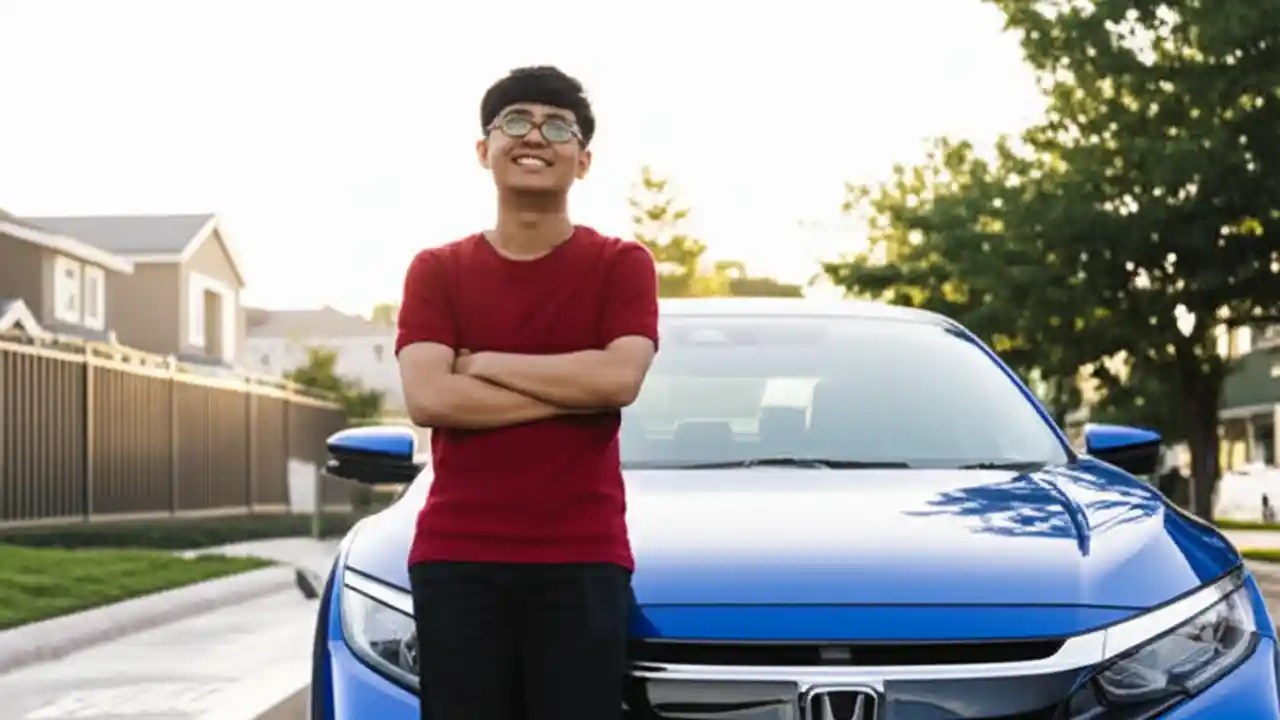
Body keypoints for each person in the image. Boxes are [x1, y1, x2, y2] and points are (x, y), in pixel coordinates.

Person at [393, 66, 660, 720]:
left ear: (583, 160)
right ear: (484, 150)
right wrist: (579, 388)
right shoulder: (438, 271)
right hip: (459, 556)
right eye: (515, 121)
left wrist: (482, 362)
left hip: (582, 557)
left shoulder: (622, 265)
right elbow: (430, 399)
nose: (534, 135)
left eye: (557, 126)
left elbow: (619, 380)